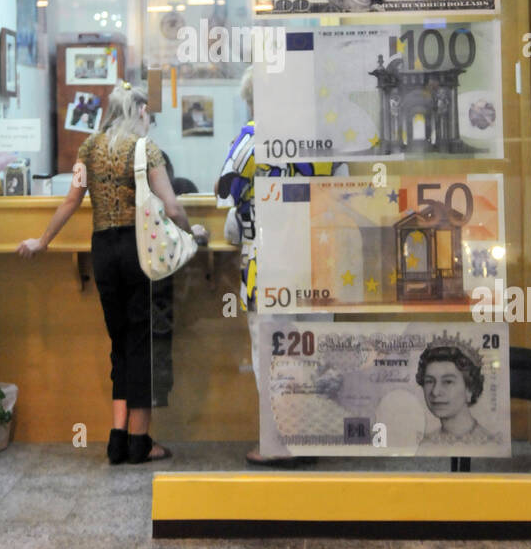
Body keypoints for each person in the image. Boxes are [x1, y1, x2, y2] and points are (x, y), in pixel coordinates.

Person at [17, 82, 204, 465]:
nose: (148, 119)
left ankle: (118, 439)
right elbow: (171, 206)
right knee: (144, 346)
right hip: (139, 255)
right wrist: (193, 234)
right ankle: (140, 442)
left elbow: (72, 199)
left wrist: (42, 240)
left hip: (104, 252)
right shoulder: (145, 149)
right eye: (147, 113)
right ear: (138, 113)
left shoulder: (90, 148)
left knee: (120, 344)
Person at [216, 68, 332, 466]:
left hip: (268, 263)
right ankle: (309, 438)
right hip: (317, 259)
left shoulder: (250, 137)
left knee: (272, 352)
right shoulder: (321, 137)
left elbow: (232, 201)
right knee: (312, 350)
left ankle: (279, 443)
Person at [415, 341, 493, 449]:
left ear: (469, 389)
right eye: (429, 381)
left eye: (448, 382)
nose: (435, 392)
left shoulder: (489, 443)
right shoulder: (425, 444)